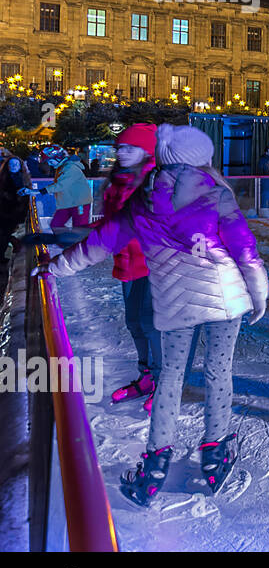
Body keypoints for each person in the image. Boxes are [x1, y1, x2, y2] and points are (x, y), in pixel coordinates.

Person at [44, 124, 268, 505]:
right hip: (224, 300)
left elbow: (100, 242)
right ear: (201, 159)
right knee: (218, 372)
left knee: (170, 378)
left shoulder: (143, 198)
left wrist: (54, 268)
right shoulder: (216, 194)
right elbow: (244, 248)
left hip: (174, 303)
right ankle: (214, 454)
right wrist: (259, 293)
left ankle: (156, 464)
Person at [100, 125, 163, 412]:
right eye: (120, 148)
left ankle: (163, 382)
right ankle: (146, 376)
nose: (121, 152)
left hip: (153, 265)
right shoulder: (116, 184)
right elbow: (108, 228)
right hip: (126, 263)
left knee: (151, 325)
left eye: (129, 147)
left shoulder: (157, 182)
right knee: (134, 323)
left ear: (146, 150)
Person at [22, 145, 92, 228]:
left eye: (50, 161)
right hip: (67, 203)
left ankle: (80, 240)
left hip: (80, 204)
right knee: (56, 225)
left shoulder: (71, 168)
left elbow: (60, 185)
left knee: (80, 229)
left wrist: (37, 191)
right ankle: (68, 239)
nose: (48, 163)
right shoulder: (61, 168)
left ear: (58, 158)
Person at [0, 155, 32, 264]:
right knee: (4, 234)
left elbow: (27, 195)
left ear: (20, 166)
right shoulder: (3, 178)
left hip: (17, 212)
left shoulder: (24, 178)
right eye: (11, 164)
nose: (13, 166)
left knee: (7, 234)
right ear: (7, 166)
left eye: (16, 164)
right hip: (4, 212)